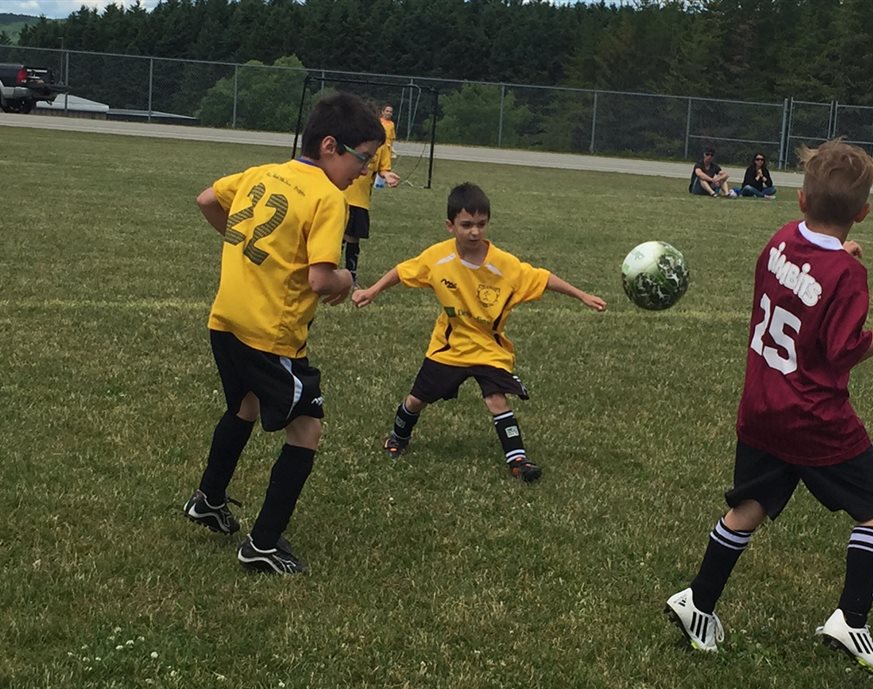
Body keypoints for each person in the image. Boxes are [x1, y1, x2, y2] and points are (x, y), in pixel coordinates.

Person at [665, 139, 873, 675]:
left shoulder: (780, 238)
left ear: (802, 199)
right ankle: (851, 620)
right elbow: (843, 353)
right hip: (812, 417)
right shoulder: (846, 275)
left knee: (749, 506)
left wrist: (836, 255)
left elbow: (799, 278)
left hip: (762, 404)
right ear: (863, 212)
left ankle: (699, 601)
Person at [182, 92, 385, 575]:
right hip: (269, 334)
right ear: (330, 146)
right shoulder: (327, 197)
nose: (365, 171)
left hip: (225, 321)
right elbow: (320, 279)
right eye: (362, 159)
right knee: (307, 429)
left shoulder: (262, 173)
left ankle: (209, 499)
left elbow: (207, 199)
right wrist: (346, 279)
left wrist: (249, 248)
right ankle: (263, 544)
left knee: (245, 405)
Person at [351, 182, 607, 482]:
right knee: (417, 399)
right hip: (450, 347)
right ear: (450, 226)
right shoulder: (437, 258)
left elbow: (543, 278)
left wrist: (582, 295)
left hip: (488, 347)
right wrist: (372, 290)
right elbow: (403, 271)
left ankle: (518, 460)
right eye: (466, 225)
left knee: (496, 399)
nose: (475, 232)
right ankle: (398, 437)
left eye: (481, 224)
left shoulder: (503, 264)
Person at [342, 139, 399, 286]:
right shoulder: (349, 135)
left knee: (353, 238)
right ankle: (327, 271)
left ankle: (351, 275)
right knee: (335, 236)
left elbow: (383, 168)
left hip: (359, 200)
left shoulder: (381, 144)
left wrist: (387, 175)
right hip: (339, 196)